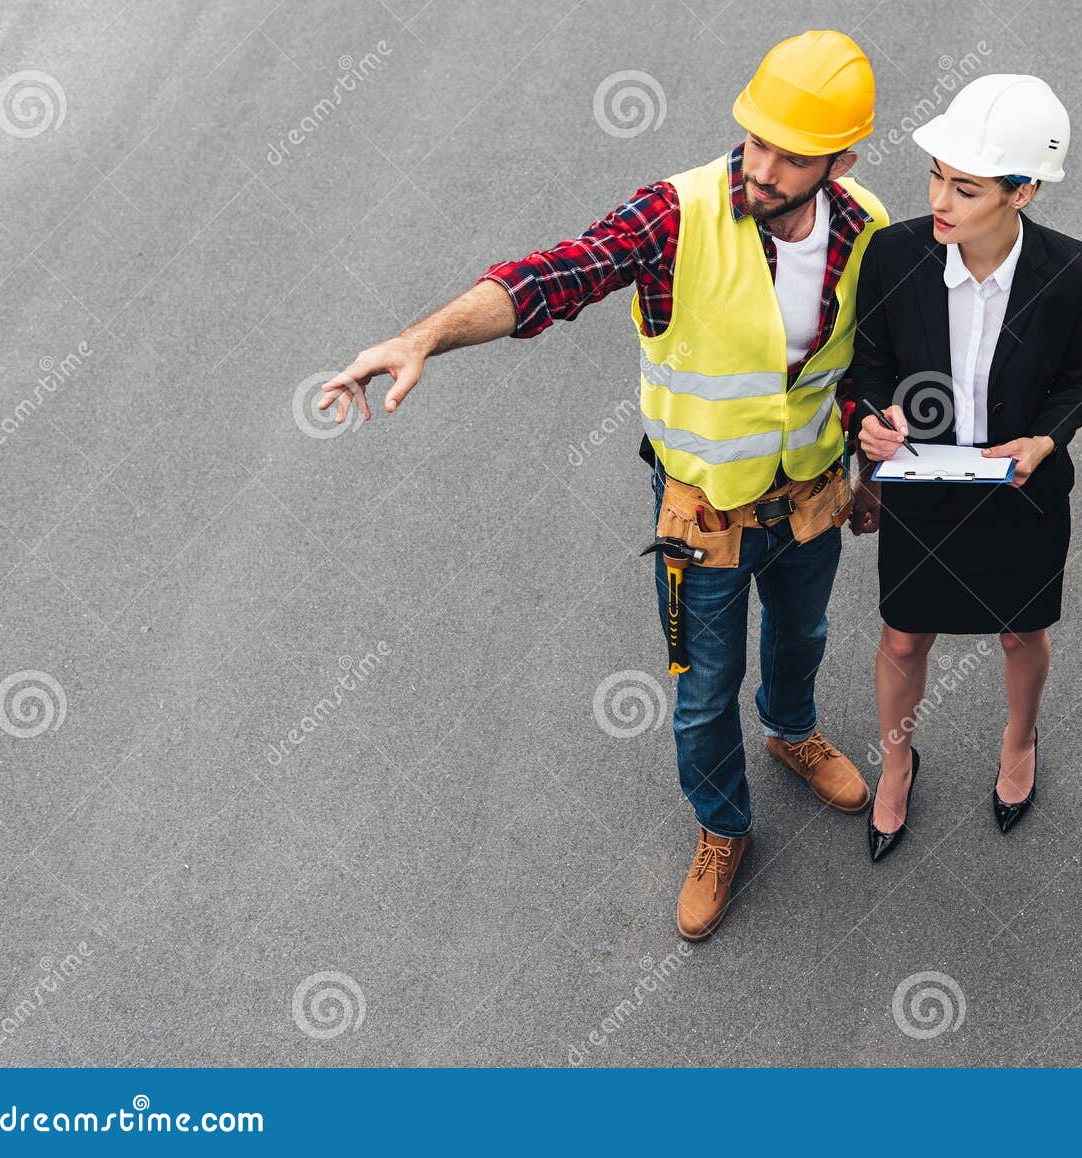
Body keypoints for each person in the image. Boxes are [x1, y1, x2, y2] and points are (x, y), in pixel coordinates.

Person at [318, 31, 889, 941]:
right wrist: (425, 335)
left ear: (843, 160)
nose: (763, 166)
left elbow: (863, 359)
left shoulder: (865, 221)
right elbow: (556, 276)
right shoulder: (679, 214)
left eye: (792, 155)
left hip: (811, 498)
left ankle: (790, 730)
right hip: (703, 515)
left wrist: (873, 460)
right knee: (704, 689)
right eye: (756, 140)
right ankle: (721, 826)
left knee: (802, 634)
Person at [850, 75, 1082, 860]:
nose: (940, 200)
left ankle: (1019, 741)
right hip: (921, 485)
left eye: (965, 186)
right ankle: (897, 760)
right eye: (936, 177)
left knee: (1021, 635)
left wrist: (1045, 443)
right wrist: (874, 416)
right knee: (900, 642)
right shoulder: (893, 255)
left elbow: (1076, 381)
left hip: (1018, 490)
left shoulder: (1071, 270)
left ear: (1023, 192)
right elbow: (869, 360)